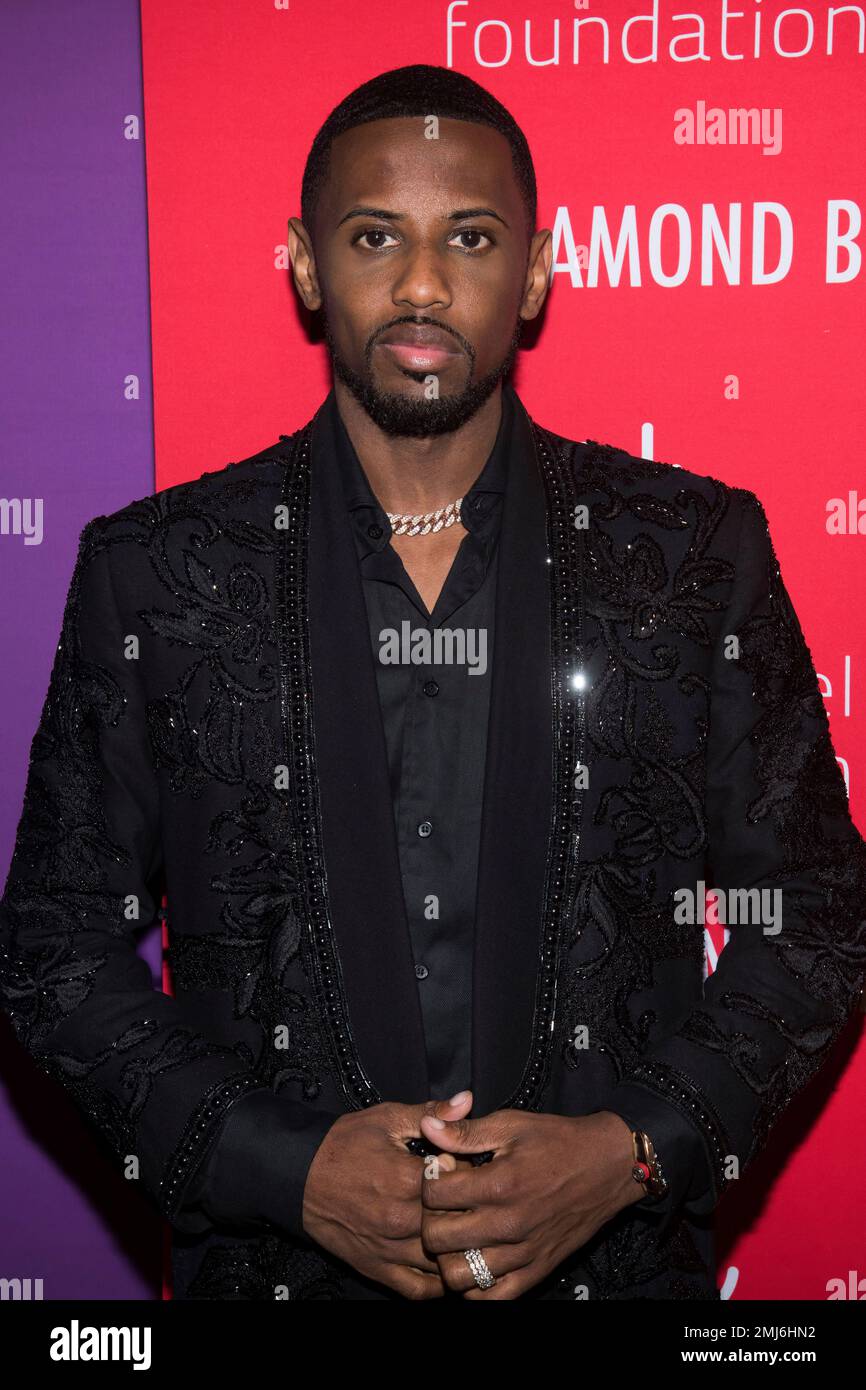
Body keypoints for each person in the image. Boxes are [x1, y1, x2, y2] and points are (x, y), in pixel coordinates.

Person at [2, 62, 865, 1303]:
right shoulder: (156, 575)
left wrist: (629, 1149)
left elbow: (811, 914)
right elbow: (53, 942)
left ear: (535, 269)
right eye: (372, 238)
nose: (418, 285)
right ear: (305, 265)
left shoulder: (684, 554)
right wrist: (282, 1170)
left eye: (467, 237)